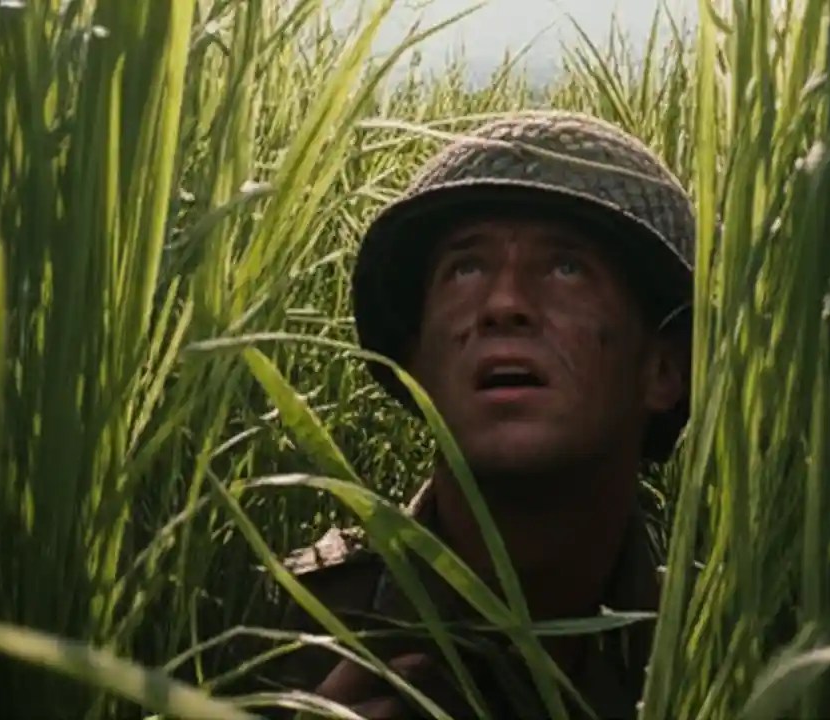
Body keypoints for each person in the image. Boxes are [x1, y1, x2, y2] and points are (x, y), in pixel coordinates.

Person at [268, 111, 696, 719]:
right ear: (415, 365)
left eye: (567, 267)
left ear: (662, 370)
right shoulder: (293, 622)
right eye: (465, 268)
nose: (504, 303)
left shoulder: (725, 649)